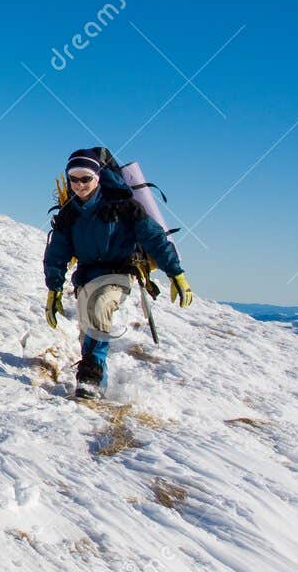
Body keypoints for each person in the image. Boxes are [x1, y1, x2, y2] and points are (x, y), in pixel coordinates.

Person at [42, 148, 194, 399]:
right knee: (89, 325)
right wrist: (54, 289)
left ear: (98, 177)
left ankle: (89, 379)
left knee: (99, 306)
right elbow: (56, 254)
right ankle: (97, 385)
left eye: (86, 178)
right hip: (86, 275)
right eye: (74, 179)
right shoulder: (68, 214)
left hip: (118, 272)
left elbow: (155, 239)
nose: (80, 185)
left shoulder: (124, 206)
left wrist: (176, 274)